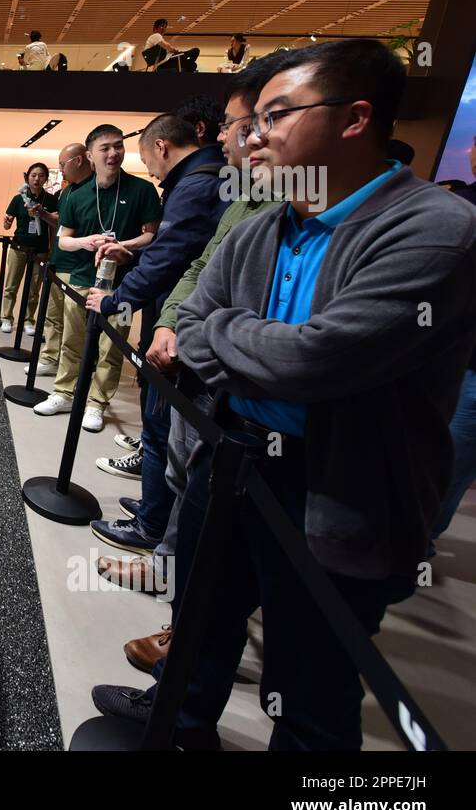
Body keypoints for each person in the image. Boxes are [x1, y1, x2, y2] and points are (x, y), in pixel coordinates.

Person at [92, 39, 476, 750]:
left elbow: (318, 360)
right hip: (232, 455)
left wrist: (228, 338)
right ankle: (178, 721)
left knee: (312, 684)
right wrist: (238, 341)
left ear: (356, 118)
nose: (257, 135)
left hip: (345, 485)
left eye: (277, 115)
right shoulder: (262, 225)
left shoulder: (436, 229)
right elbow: (198, 329)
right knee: (203, 614)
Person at [95, 66, 282, 648]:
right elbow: (203, 268)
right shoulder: (238, 191)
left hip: (240, 393)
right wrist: (174, 320)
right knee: (181, 466)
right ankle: (163, 555)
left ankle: (164, 561)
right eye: (234, 127)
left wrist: (137, 305)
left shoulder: (215, 185)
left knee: (187, 463)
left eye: (242, 126)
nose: (233, 139)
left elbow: (196, 265)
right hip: (196, 353)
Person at [83, 111, 228, 555]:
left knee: (162, 422)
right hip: (176, 316)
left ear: (161, 147)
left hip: (181, 327)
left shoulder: (195, 184)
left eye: (147, 158)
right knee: (162, 423)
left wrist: (113, 301)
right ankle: (154, 505)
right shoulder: (214, 179)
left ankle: (151, 524)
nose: (149, 169)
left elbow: (172, 258)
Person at [34, 126, 161, 432]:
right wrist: (87, 242)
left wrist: (124, 247)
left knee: (111, 347)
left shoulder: (141, 190)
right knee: (72, 341)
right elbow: (64, 239)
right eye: (105, 148)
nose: (113, 153)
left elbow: (154, 235)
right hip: (80, 278)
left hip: (123, 285)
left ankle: (96, 403)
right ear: (90, 155)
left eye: (118, 146)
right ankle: (64, 392)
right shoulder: (76, 194)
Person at [36, 144, 94, 377]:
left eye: (62, 164)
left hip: (78, 269)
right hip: (57, 262)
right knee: (52, 316)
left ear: (79, 161)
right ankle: (50, 357)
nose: (60, 169)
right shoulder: (67, 192)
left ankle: (68, 374)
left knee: (74, 328)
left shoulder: (95, 190)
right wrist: (43, 215)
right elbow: (61, 224)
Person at [0, 163, 58, 333]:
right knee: (11, 286)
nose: (36, 179)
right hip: (18, 248)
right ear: (28, 178)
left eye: (40, 175)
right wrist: (6, 221)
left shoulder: (51, 200)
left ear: (46, 178)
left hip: (40, 250)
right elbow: (6, 225)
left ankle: (28, 320)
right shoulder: (19, 199)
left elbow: (55, 225)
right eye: (33, 175)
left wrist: (52, 249)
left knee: (34, 289)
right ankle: (6, 318)